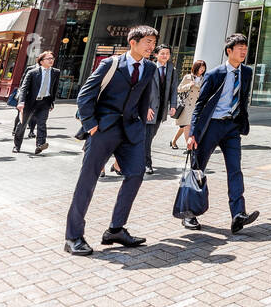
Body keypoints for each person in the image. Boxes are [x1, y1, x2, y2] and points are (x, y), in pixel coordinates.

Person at [63, 26, 159, 256]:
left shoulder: (150, 67)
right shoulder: (111, 64)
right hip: (104, 129)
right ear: (132, 42)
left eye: (154, 42)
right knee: (88, 179)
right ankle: (73, 236)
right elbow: (85, 94)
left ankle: (115, 229)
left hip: (131, 131)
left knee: (136, 174)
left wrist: (142, 125)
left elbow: (145, 98)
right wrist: (91, 125)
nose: (151, 46)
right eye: (147, 41)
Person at [180, 33, 259, 234]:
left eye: (245, 48)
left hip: (232, 128)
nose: (243, 51)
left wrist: (242, 121)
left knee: (235, 170)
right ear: (229, 51)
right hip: (211, 126)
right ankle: (189, 214)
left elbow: (242, 98)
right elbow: (199, 105)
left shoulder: (247, 72)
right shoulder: (214, 74)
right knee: (198, 169)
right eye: (239, 48)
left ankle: (238, 214)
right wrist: (193, 134)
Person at [14, 50, 59, 155]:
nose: (51, 60)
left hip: (45, 102)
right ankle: (17, 145)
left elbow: (55, 88)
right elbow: (24, 88)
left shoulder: (56, 72)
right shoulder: (32, 72)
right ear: (41, 61)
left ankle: (40, 145)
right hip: (30, 102)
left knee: (42, 124)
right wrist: (21, 102)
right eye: (48, 59)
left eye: (52, 58)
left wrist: (52, 102)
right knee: (22, 124)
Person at [145, 44, 179, 175]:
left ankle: (120, 162)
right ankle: (147, 164)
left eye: (167, 53)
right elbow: (143, 90)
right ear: (156, 55)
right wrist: (146, 107)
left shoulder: (172, 69)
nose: (165, 56)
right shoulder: (149, 67)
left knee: (151, 136)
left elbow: (174, 89)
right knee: (147, 138)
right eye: (162, 53)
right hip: (149, 109)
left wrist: (173, 105)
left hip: (161, 110)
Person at [169, 59, 206, 149]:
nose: (202, 69)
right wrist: (189, 85)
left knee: (184, 126)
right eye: (200, 67)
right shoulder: (188, 77)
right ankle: (189, 147)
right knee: (187, 125)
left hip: (197, 106)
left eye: (204, 67)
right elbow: (179, 89)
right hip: (187, 105)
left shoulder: (204, 79)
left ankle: (173, 141)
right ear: (196, 67)